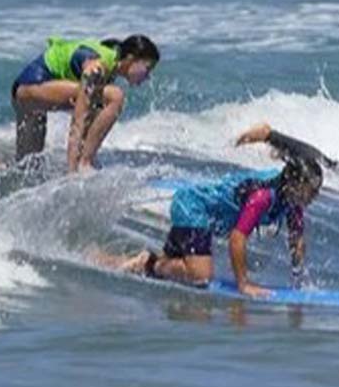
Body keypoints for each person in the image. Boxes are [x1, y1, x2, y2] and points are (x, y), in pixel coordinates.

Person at [120, 122, 324, 298]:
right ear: (294, 184)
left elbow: (296, 240)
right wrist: (243, 284)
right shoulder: (263, 197)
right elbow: (237, 238)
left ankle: (134, 263)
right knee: (201, 277)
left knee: (178, 268)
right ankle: (150, 263)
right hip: (193, 207)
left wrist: (299, 281)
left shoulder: (291, 199)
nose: (314, 197)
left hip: (204, 216)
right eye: (310, 191)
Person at [11, 34, 160, 172]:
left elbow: (87, 116)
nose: (148, 77)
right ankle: (85, 162)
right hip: (29, 89)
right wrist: (74, 171)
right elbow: (79, 119)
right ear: (130, 58)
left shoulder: (109, 66)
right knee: (115, 96)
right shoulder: (97, 67)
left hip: (29, 96)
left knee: (27, 166)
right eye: (147, 69)